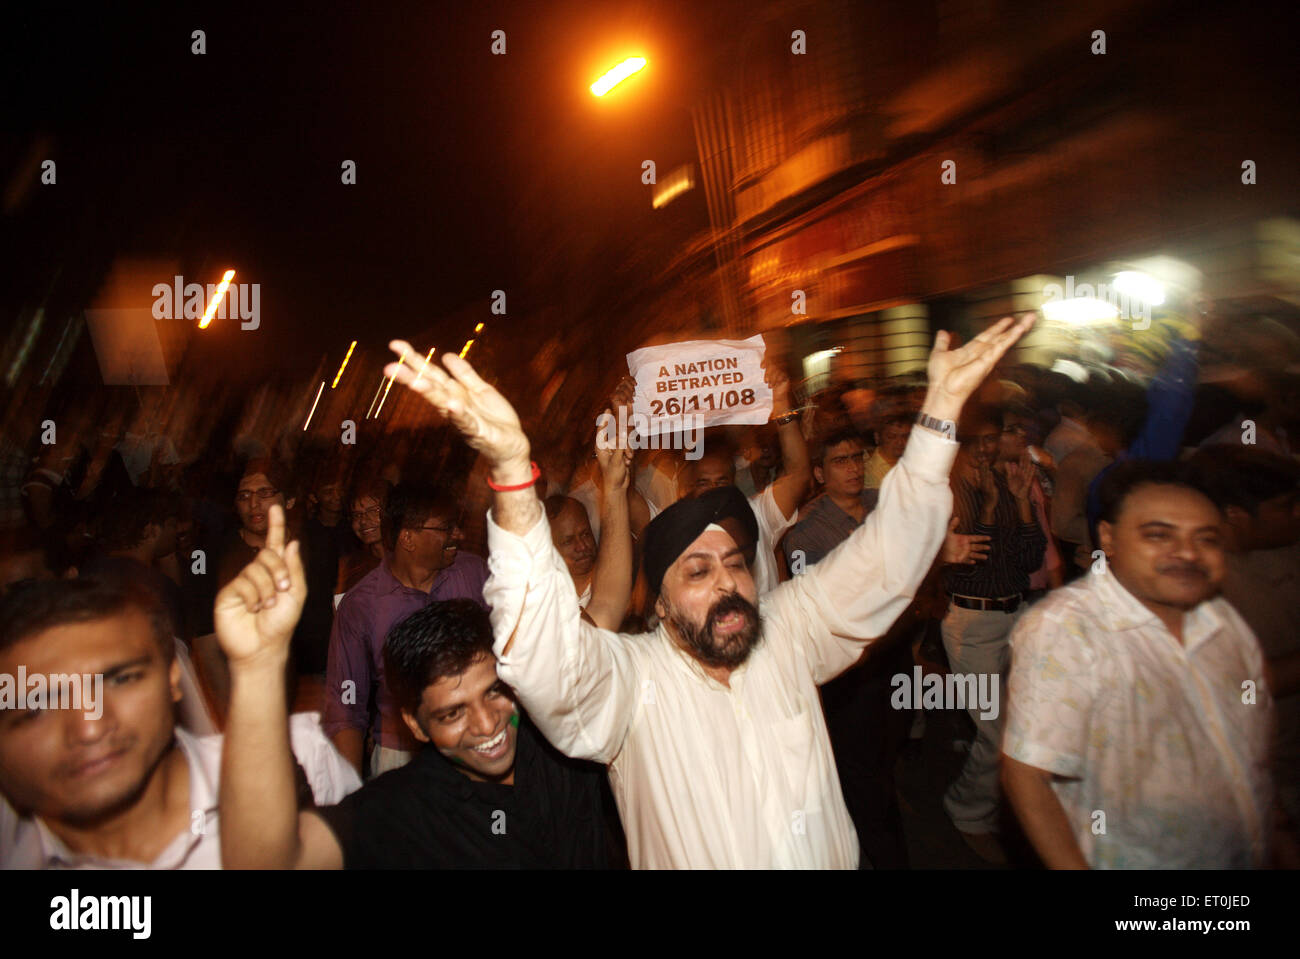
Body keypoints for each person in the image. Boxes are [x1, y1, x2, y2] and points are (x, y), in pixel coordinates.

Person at [381, 314, 1034, 868]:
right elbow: (545, 657)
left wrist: (941, 412)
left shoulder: (787, 632)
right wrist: (513, 481)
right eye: (697, 571)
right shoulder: (629, 684)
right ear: (658, 604)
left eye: (735, 562)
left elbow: (889, 554)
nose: (727, 581)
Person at [215, 515, 615, 869]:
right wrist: (257, 668)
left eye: (493, 692)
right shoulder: (404, 810)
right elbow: (268, 861)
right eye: (452, 714)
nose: (486, 722)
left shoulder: (564, 741)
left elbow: (605, 615)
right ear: (415, 724)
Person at [1002, 460, 1272, 868]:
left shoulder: (1223, 621)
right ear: (1108, 537)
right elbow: (1028, 777)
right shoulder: (1069, 628)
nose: (1186, 553)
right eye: (1159, 535)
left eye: (1206, 538)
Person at [0, 577, 357, 868]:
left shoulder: (299, 761)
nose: (90, 728)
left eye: (121, 680)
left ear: (173, 677)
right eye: (36, 708)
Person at [322, 483, 488, 777]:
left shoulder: (475, 574)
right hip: (401, 758)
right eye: (446, 529)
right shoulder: (361, 606)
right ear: (408, 538)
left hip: (480, 736)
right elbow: (346, 709)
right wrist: (348, 796)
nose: (458, 536)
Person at [940, 407, 1046, 861]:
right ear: (958, 440)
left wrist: (1021, 503)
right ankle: (967, 810)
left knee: (1024, 724)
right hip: (972, 623)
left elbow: (1029, 559)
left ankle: (1008, 803)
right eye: (977, 439)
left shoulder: (1006, 480)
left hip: (1017, 616)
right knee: (999, 730)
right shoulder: (944, 493)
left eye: (992, 438)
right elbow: (969, 569)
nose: (986, 448)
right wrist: (985, 511)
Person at [675, 367, 811, 593]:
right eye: (703, 483)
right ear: (688, 487)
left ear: (734, 481)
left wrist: (781, 406)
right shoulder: (678, 536)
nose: (713, 491)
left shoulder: (759, 515)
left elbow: (799, 474)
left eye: (721, 482)